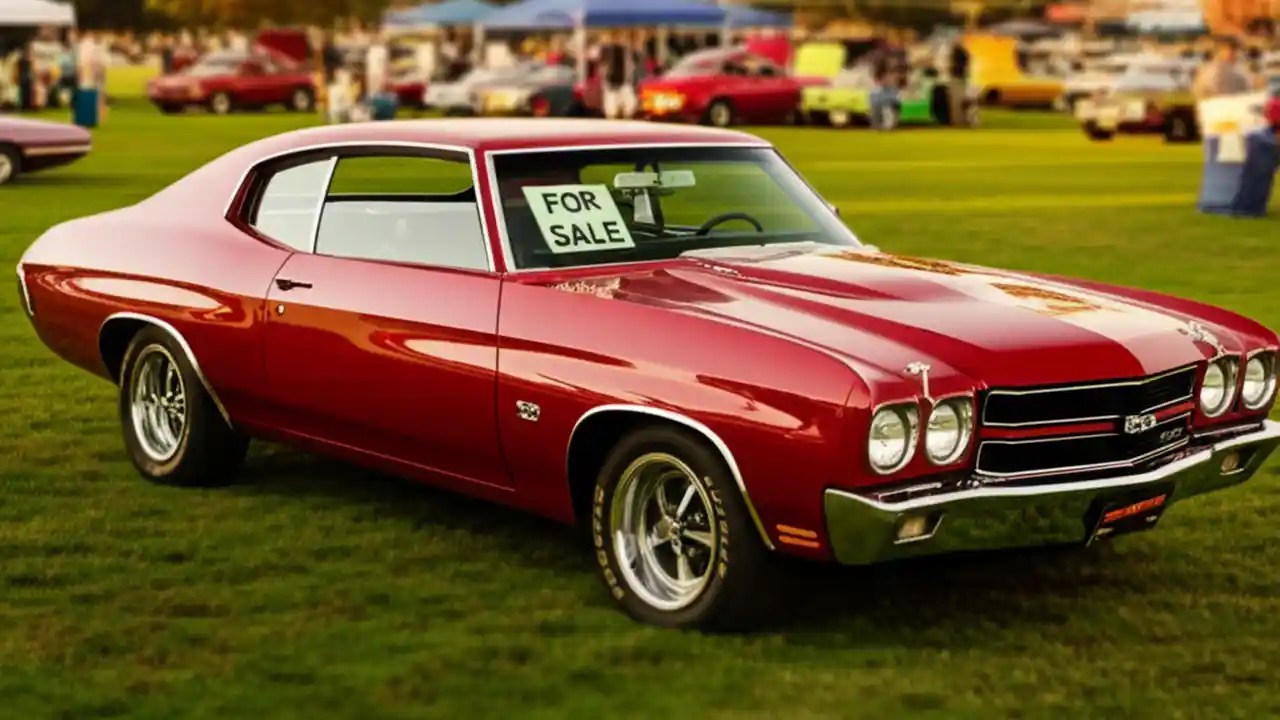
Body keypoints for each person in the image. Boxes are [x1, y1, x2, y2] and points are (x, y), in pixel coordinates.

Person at [600, 32, 636, 120]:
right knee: (614, 105)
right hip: (614, 82)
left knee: (626, 104)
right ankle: (617, 113)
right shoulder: (609, 50)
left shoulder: (624, 51)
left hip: (620, 82)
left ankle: (621, 113)